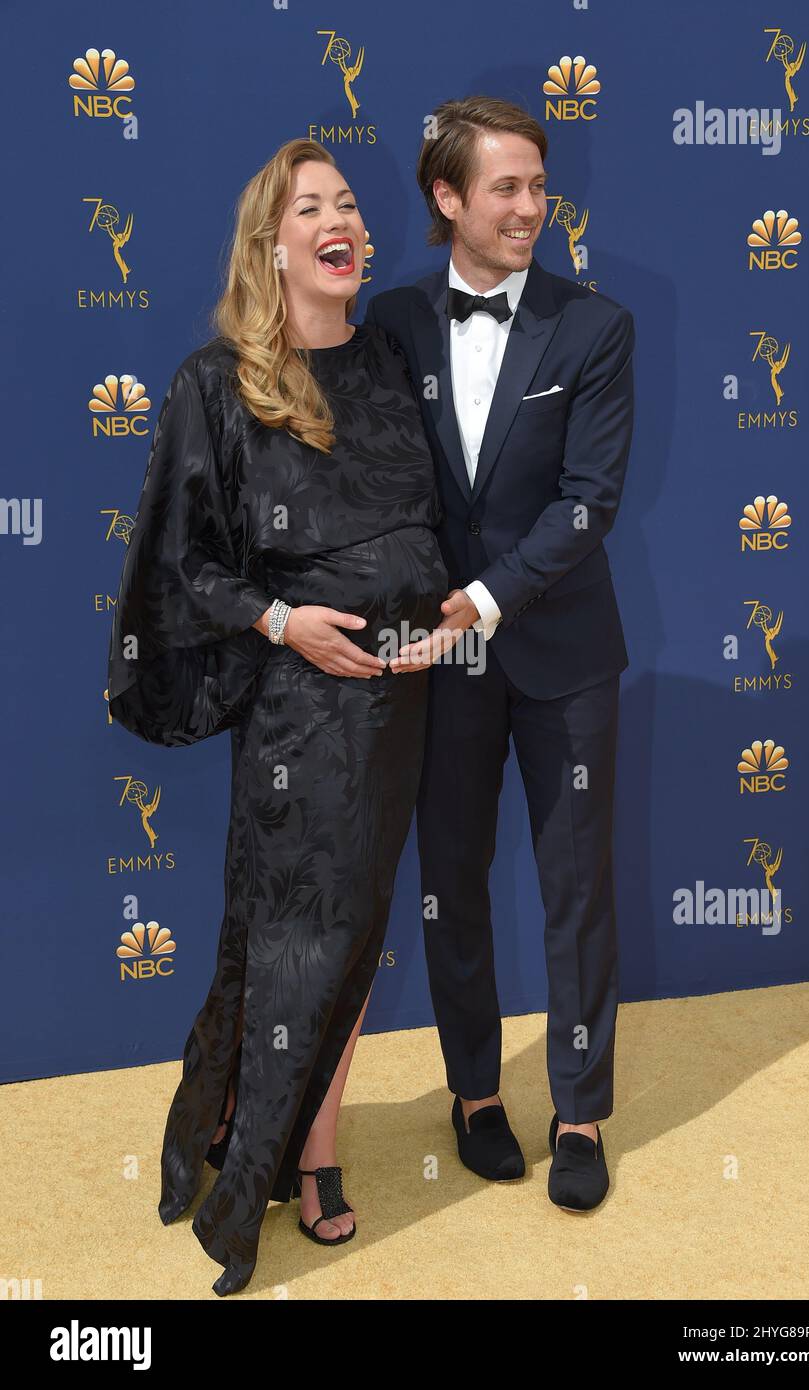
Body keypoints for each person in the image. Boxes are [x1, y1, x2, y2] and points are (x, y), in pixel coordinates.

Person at [106, 138, 448, 1295]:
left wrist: (444, 621)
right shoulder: (219, 383)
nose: (341, 219)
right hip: (300, 714)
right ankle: (251, 1152)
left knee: (348, 939)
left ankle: (305, 1145)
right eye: (313, 207)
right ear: (274, 243)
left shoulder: (390, 360)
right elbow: (180, 562)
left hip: (397, 698)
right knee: (288, 938)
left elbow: (421, 527)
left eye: (350, 202)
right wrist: (279, 624)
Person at [366, 96, 635, 1211]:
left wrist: (480, 600)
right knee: (453, 884)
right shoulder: (389, 321)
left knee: (576, 889)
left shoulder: (594, 325)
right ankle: (474, 1093)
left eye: (538, 185)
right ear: (447, 199)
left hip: (561, 649)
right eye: (506, 189)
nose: (531, 207)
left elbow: (587, 504)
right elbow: (372, 485)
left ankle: (577, 1113)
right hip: (439, 656)